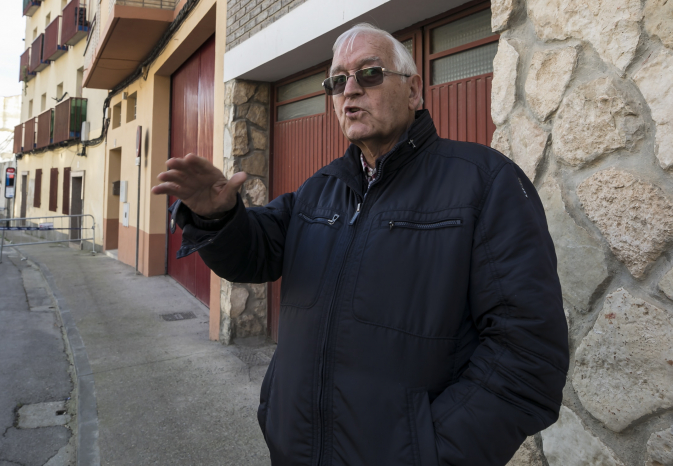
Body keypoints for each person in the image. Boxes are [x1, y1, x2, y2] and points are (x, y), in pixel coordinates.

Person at [153, 24, 568, 465]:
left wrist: (428, 453)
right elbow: (254, 251)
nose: (348, 90)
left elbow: (527, 355)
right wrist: (215, 216)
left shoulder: (485, 183)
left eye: (368, 74)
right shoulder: (321, 188)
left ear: (413, 91)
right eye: (336, 80)